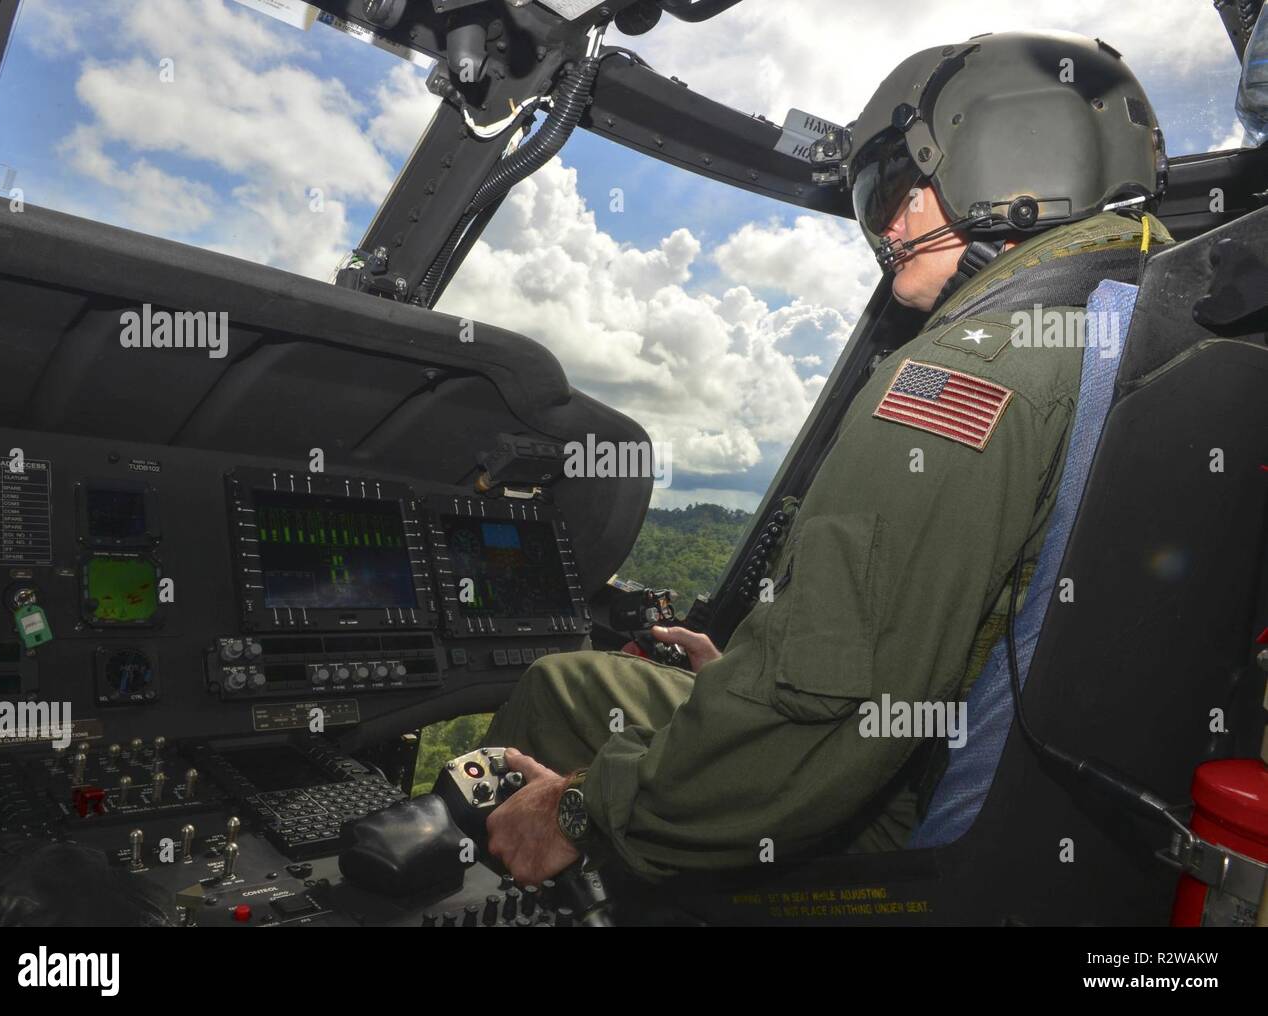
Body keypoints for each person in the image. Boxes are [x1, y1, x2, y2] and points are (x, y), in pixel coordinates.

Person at [482, 30, 1172, 885]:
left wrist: (582, 808)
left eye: (891, 188)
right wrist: (751, 668)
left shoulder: (964, 379)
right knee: (584, 689)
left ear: (1000, 164)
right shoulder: (1151, 331)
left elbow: (815, 723)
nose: (880, 227)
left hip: (906, 825)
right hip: (1061, 832)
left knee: (556, 690)